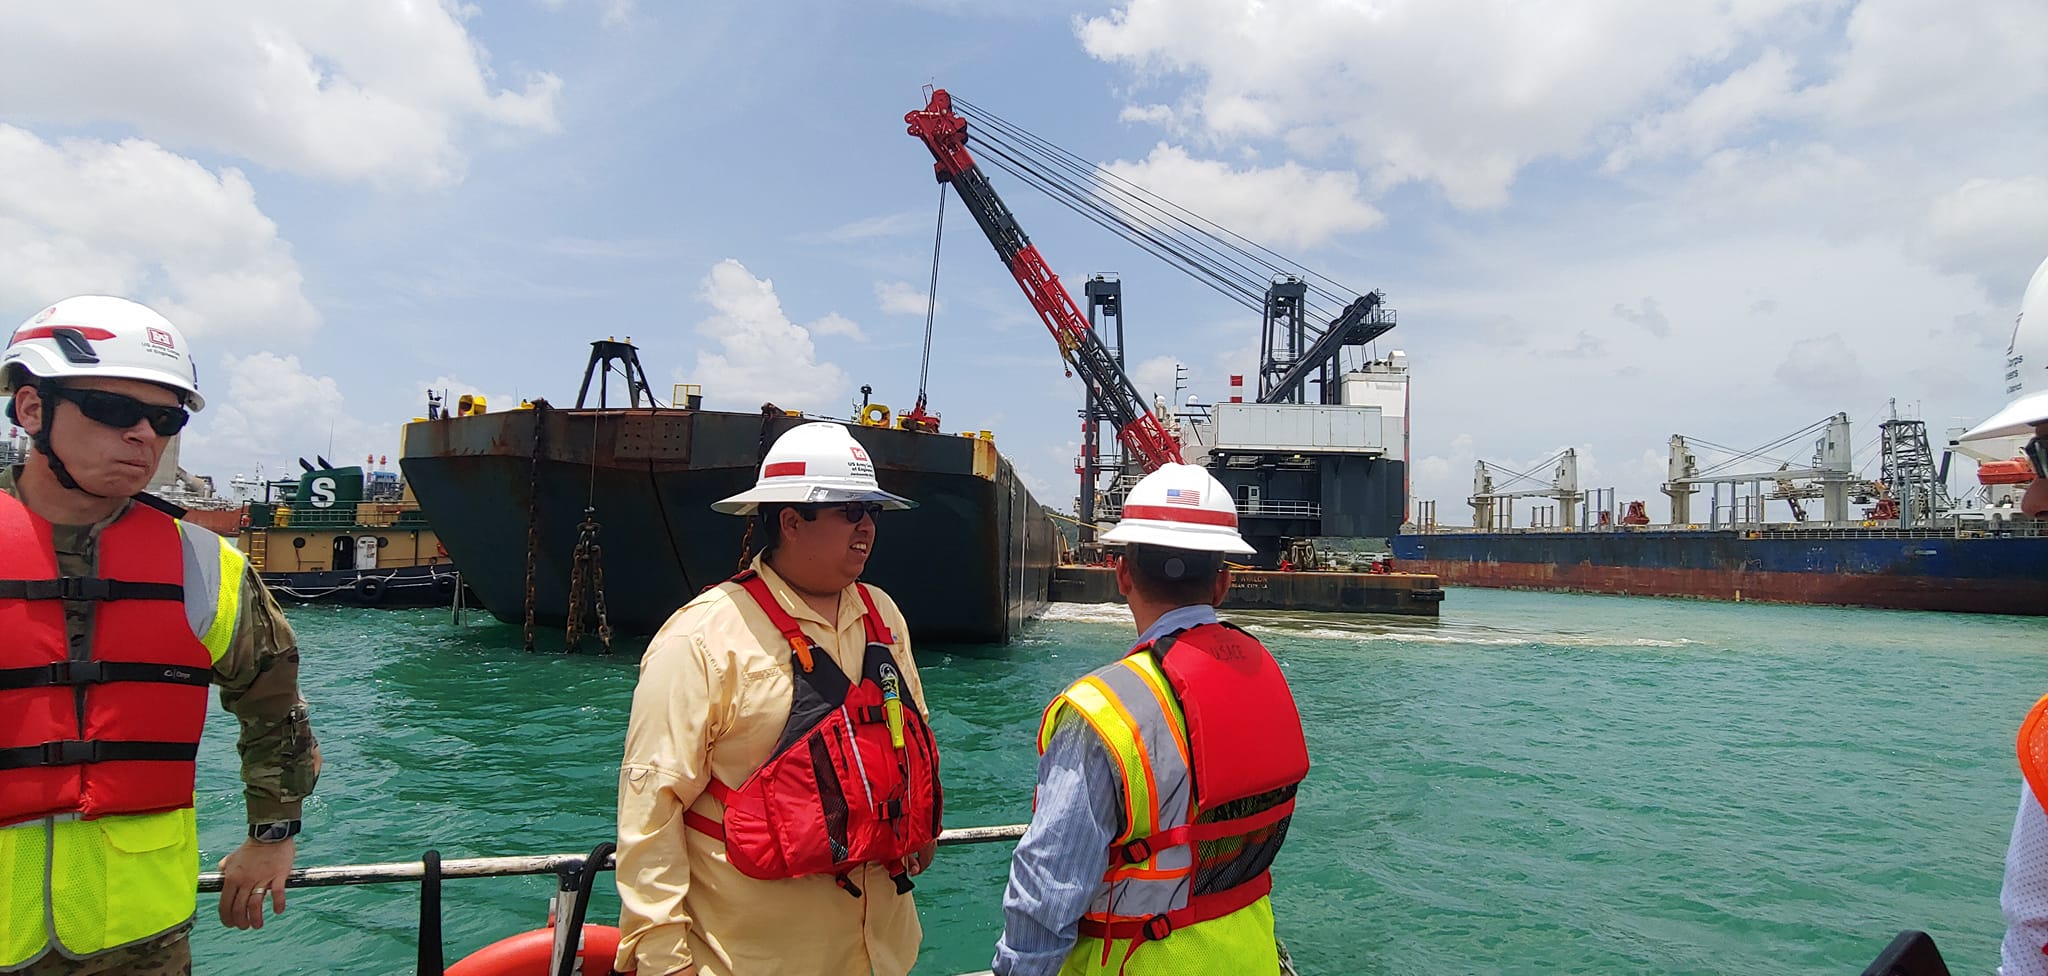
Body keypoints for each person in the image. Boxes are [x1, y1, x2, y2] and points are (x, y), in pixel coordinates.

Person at [0, 296, 321, 975]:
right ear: (32, 409)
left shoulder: (208, 569)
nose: (144, 435)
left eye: (165, 418)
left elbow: (275, 709)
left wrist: (272, 835)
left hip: (141, 943)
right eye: (116, 410)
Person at [614, 421, 943, 976]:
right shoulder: (703, 639)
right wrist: (664, 964)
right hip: (755, 960)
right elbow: (650, 813)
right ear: (790, 521)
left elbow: (910, 738)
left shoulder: (884, 617)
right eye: (850, 510)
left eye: (873, 511)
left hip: (884, 954)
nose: (866, 525)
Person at [992, 463, 1310, 976]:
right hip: (1251, 955)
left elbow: (1047, 889)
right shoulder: (1263, 674)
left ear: (1122, 574)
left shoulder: (1100, 711)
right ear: (1223, 582)